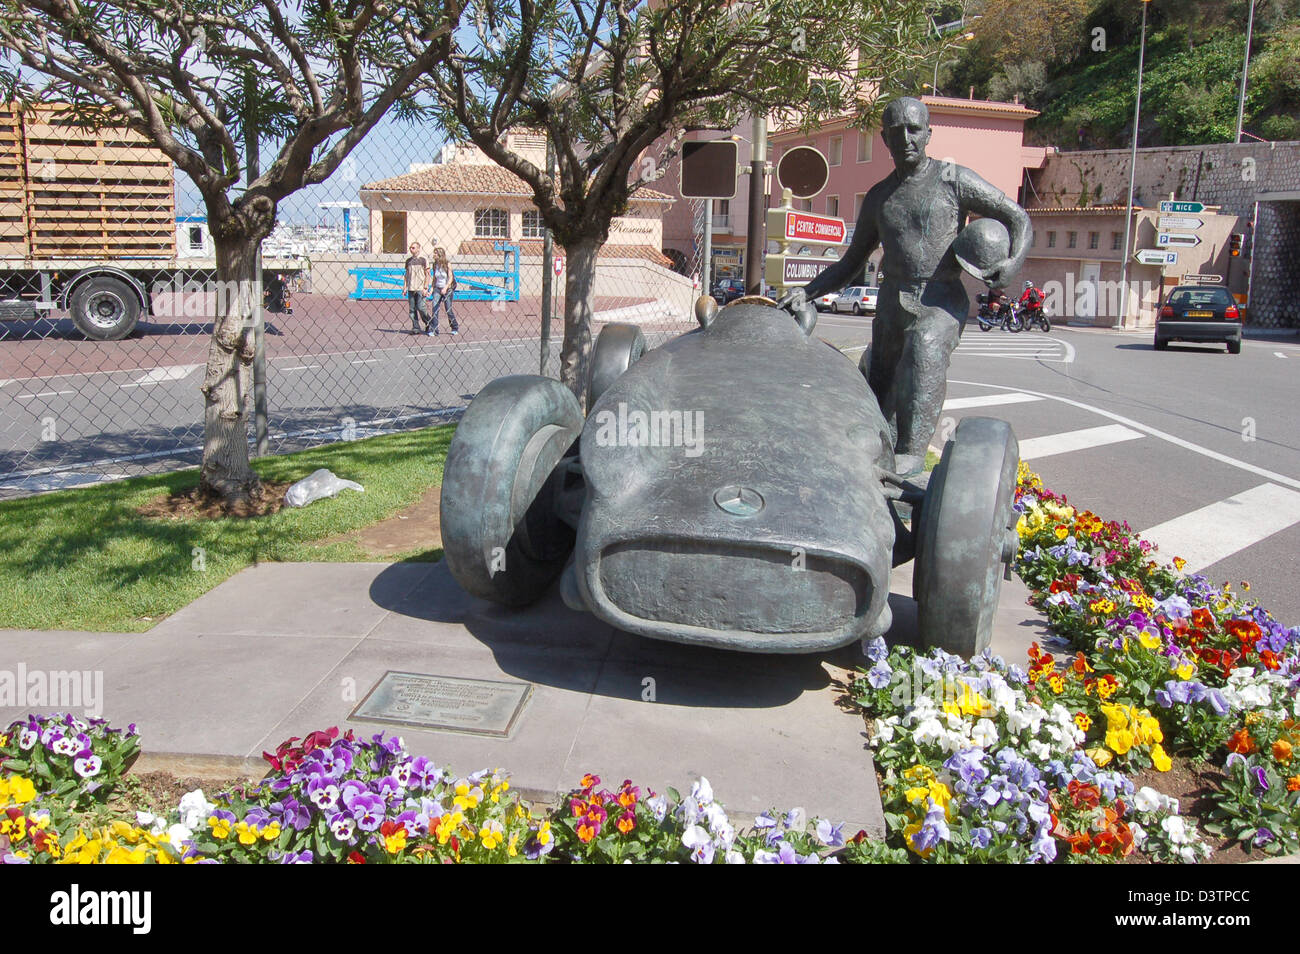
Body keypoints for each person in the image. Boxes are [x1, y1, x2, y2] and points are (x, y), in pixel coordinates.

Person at [782, 97, 1031, 475]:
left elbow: (1018, 217)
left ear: (929, 133)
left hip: (940, 299)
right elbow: (852, 263)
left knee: (924, 348)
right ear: (884, 139)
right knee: (882, 390)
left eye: (914, 129)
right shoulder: (880, 198)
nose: (906, 138)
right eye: (896, 131)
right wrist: (808, 291)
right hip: (891, 301)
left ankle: (913, 452)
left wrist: (1011, 265)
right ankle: (882, 464)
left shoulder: (954, 180)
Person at [428, 246, 459, 336]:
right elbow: (434, 278)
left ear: (440, 254)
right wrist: (432, 289)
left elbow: (450, 277)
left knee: (448, 309)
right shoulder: (434, 265)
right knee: (434, 308)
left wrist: (446, 287)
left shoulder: (447, 264)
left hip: (447, 288)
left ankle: (454, 326)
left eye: (435, 253)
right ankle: (434, 329)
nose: (433, 255)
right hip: (437, 288)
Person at [404, 242, 432, 335]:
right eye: (410, 248)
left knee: (421, 307)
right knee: (412, 309)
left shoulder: (423, 260)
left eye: (413, 248)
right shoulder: (408, 261)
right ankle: (415, 327)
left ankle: (428, 322)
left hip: (420, 287)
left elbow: (428, 274)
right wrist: (405, 287)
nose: (411, 249)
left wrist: (425, 287)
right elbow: (407, 274)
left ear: (418, 249)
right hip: (411, 287)